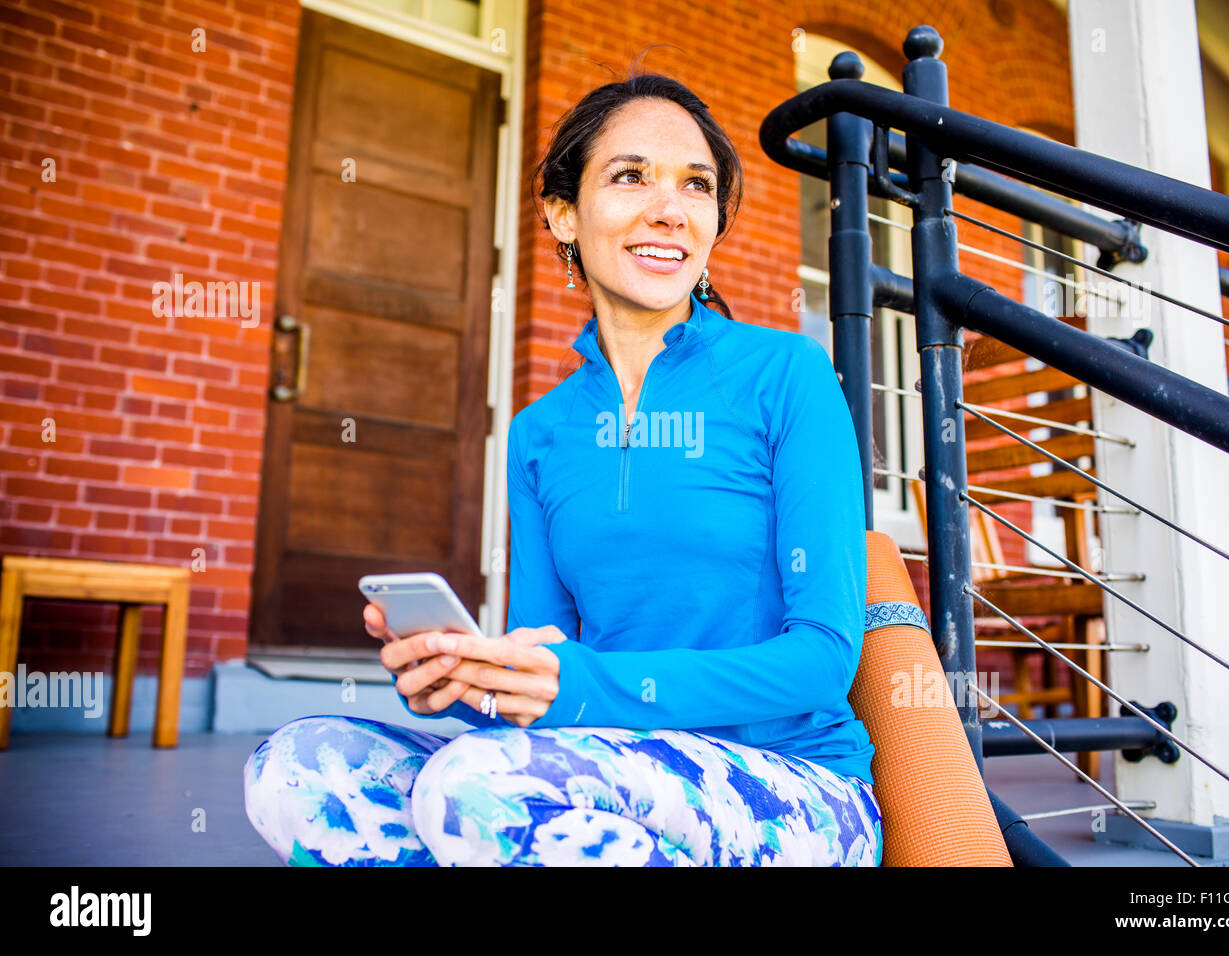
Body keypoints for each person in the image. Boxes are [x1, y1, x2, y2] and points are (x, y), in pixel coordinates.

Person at [243, 68, 882, 866]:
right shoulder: (539, 433)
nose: (669, 209)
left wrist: (579, 688)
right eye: (630, 176)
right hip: (595, 769)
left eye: (696, 184)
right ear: (562, 212)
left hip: (800, 791)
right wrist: (469, 678)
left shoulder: (788, 376)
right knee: (300, 768)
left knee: (473, 789)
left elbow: (823, 660)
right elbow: (548, 663)